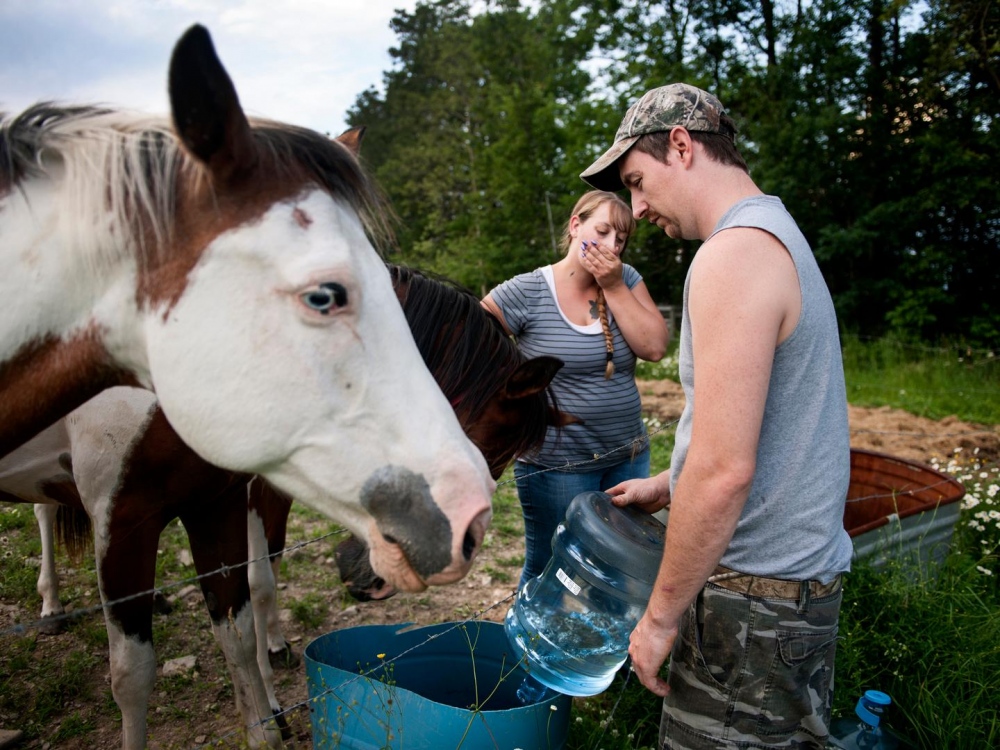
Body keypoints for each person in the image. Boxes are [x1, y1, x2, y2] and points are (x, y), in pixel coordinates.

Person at [581, 84, 852, 749]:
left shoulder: (733, 255)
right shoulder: (774, 235)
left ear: (682, 144)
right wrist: (669, 483)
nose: (637, 208)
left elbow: (726, 468)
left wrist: (662, 616)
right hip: (789, 594)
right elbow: (764, 426)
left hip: (757, 599)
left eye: (639, 183)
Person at [481, 190, 670, 589]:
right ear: (574, 226)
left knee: (614, 569)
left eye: (621, 240)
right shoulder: (527, 291)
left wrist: (614, 285)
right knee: (553, 569)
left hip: (627, 458)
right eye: (601, 232)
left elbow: (653, 347)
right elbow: (471, 345)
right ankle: (527, 651)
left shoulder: (627, 280)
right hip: (557, 466)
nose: (611, 246)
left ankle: (598, 649)